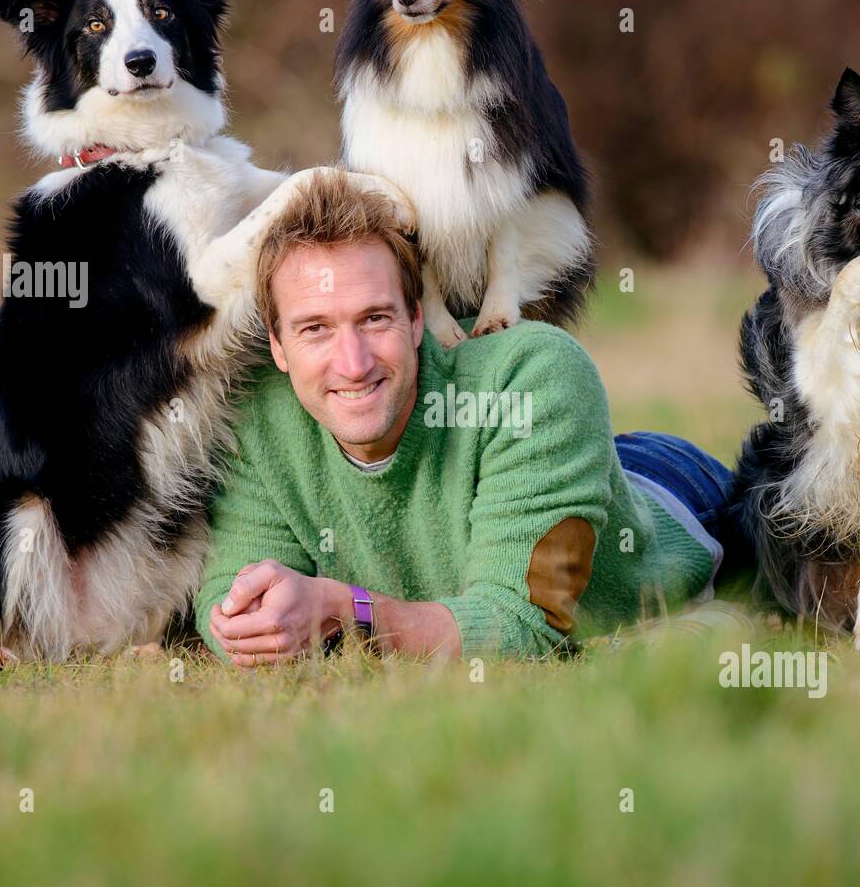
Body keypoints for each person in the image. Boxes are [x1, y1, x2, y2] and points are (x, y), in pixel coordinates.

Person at [196, 170, 732, 665]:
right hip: (535, 469)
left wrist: (346, 610)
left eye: (375, 318)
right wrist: (256, 623)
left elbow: (524, 626)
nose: (353, 364)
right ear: (278, 346)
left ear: (415, 320)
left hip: (675, 498)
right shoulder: (256, 404)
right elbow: (228, 593)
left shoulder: (535, 376)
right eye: (315, 329)